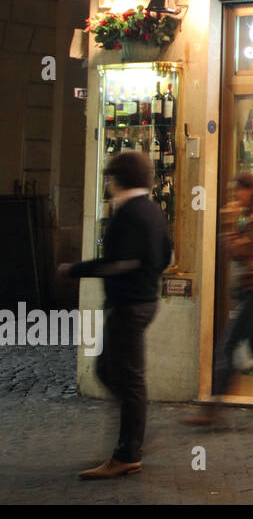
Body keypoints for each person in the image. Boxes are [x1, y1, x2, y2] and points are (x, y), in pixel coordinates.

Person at [60, 150, 173, 479]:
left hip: (129, 303)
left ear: (117, 179)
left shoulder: (130, 214)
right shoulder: (152, 212)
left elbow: (117, 262)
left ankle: (128, 451)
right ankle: (134, 432)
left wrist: (74, 269)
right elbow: (166, 255)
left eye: (109, 178)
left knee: (126, 376)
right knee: (110, 370)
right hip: (142, 300)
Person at [186, 173, 253, 425]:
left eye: (238, 191)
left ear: (250, 190)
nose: (235, 195)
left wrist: (228, 223)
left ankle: (213, 409)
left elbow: (238, 250)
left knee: (227, 345)